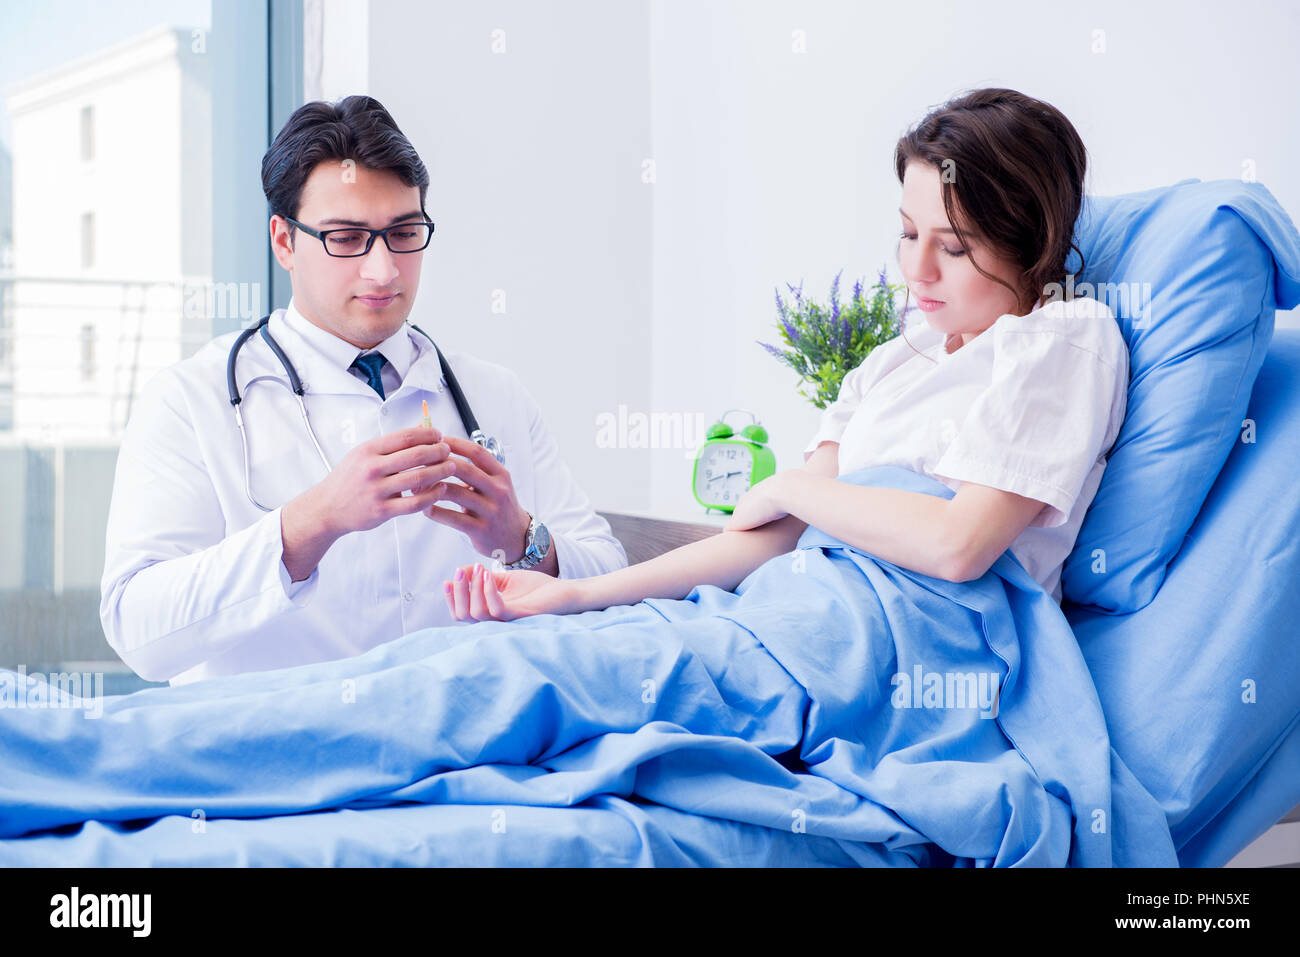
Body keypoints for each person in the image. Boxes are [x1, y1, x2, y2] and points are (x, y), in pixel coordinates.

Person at [439, 87, 1128, 618]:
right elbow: (772, 535)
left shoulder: (1060, 339)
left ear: (1029, 243)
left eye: (952, 246)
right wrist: (579, 599)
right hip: (792, 611)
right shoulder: (894, 362)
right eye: (907, 233)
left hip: (914, 645)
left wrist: (799, 487)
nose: (917, 270)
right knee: (538, 668)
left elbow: (957, 545)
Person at [99, 96, 628, 686]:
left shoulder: (492, 394)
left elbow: (611, 576)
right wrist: (310, 523)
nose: (383, 271)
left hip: (461, 755)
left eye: (404, 232)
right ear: (283, 242)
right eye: (347, 238)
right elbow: (137, 630)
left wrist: (523, 538)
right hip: (274, 758)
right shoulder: (190, 400)